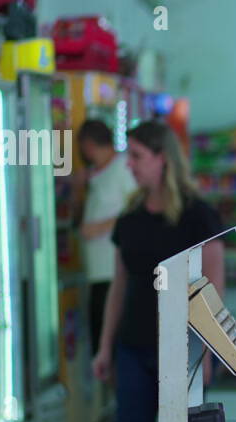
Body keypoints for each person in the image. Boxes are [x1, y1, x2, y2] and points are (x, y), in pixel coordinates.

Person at [91, 121, 225, 422]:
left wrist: (209, 352)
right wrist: (105, 346)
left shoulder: (198, 216)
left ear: (162, 158)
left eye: (136, 156)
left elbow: (213, 286)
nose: (128, 165)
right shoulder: (129, 217)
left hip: (181, 352)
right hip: (132, 349)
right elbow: (120, 285)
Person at [77, 120, 138, 358]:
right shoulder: (96, 175)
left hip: (112, 274)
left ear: (89, 145)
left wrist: (98, 228)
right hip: (97, 274)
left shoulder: (122, 168)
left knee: (111, 347)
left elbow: (133, 211)